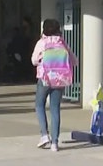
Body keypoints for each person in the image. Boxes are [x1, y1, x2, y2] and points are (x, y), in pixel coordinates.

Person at [31, 18, 77, 152]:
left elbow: (34, 60)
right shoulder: (62, 43)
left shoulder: (42, 42)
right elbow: (74, 60)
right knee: (55, 109)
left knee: (39, 105)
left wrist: (41, 59)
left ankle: (44, 135)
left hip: (44, 78)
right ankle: (55, 143)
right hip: (60, 79)